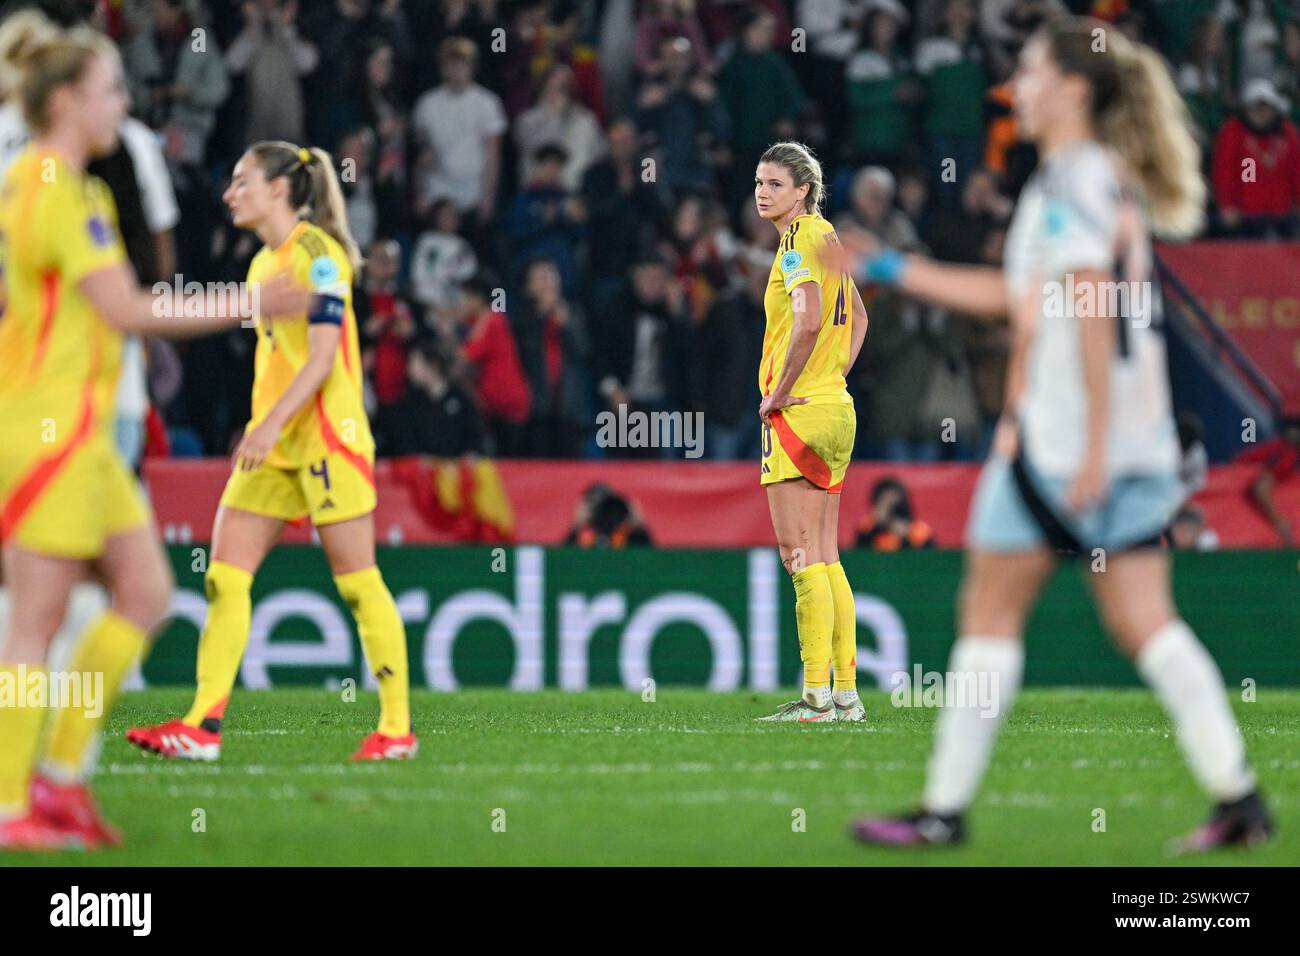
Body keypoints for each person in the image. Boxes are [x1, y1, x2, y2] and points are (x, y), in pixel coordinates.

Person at [848, 17, 1272, 852]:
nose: (1016, 89)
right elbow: (1027, 303)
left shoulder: (1071, 181)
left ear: (1075, 88)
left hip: (1070, 445)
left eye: (1032, 73)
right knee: (1145, 623)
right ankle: (1240, 800)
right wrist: (889, 266)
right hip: (1125, 444)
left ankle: (943, 811)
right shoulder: (1098, 179)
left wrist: (1083, 448)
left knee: (990, 612)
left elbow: (1082, 304)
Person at [0, 19, 305, 850]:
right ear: (66, 101)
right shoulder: (41, 187)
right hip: (47, 431)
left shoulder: (85, 191)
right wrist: (254, 302)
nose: (124, 104)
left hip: (88, 433)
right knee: (34, 622)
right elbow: (128, 311)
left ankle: (59, 780)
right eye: (110, 90)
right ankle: (12, 804)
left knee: (144, 593)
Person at [125, 141, 416, 764]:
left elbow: (320, 359)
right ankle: (202, 725)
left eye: (241, 182)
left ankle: (396, 730)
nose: (230, 195)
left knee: (360, 585)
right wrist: (263, 424)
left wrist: (268, 423)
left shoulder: (319, 256)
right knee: (225, 577)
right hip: (277, 441)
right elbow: (280, 361)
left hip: (326, 439)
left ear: (279, 189)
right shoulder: (263, 265)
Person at [752, 142, 869, 724]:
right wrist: (831, 378)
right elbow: (860, 317)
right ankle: (845, 695)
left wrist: (781, 392)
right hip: (835, 409)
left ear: (802, 191)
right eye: (758, 182)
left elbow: (808, 313)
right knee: (825, 555)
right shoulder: (829, 239)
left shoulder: (798, 239)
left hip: (798, 411)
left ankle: (816, 698)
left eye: (774, 183)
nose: (762, 192)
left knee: (797, 556)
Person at [856, 477, 935, 550]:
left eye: (893, 501)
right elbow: (859, 555)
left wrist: (906, 538)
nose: (889, 507)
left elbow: (930, 559)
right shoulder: (867, 528)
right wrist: (875, 529)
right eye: (884, 500)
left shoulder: (918, 530)